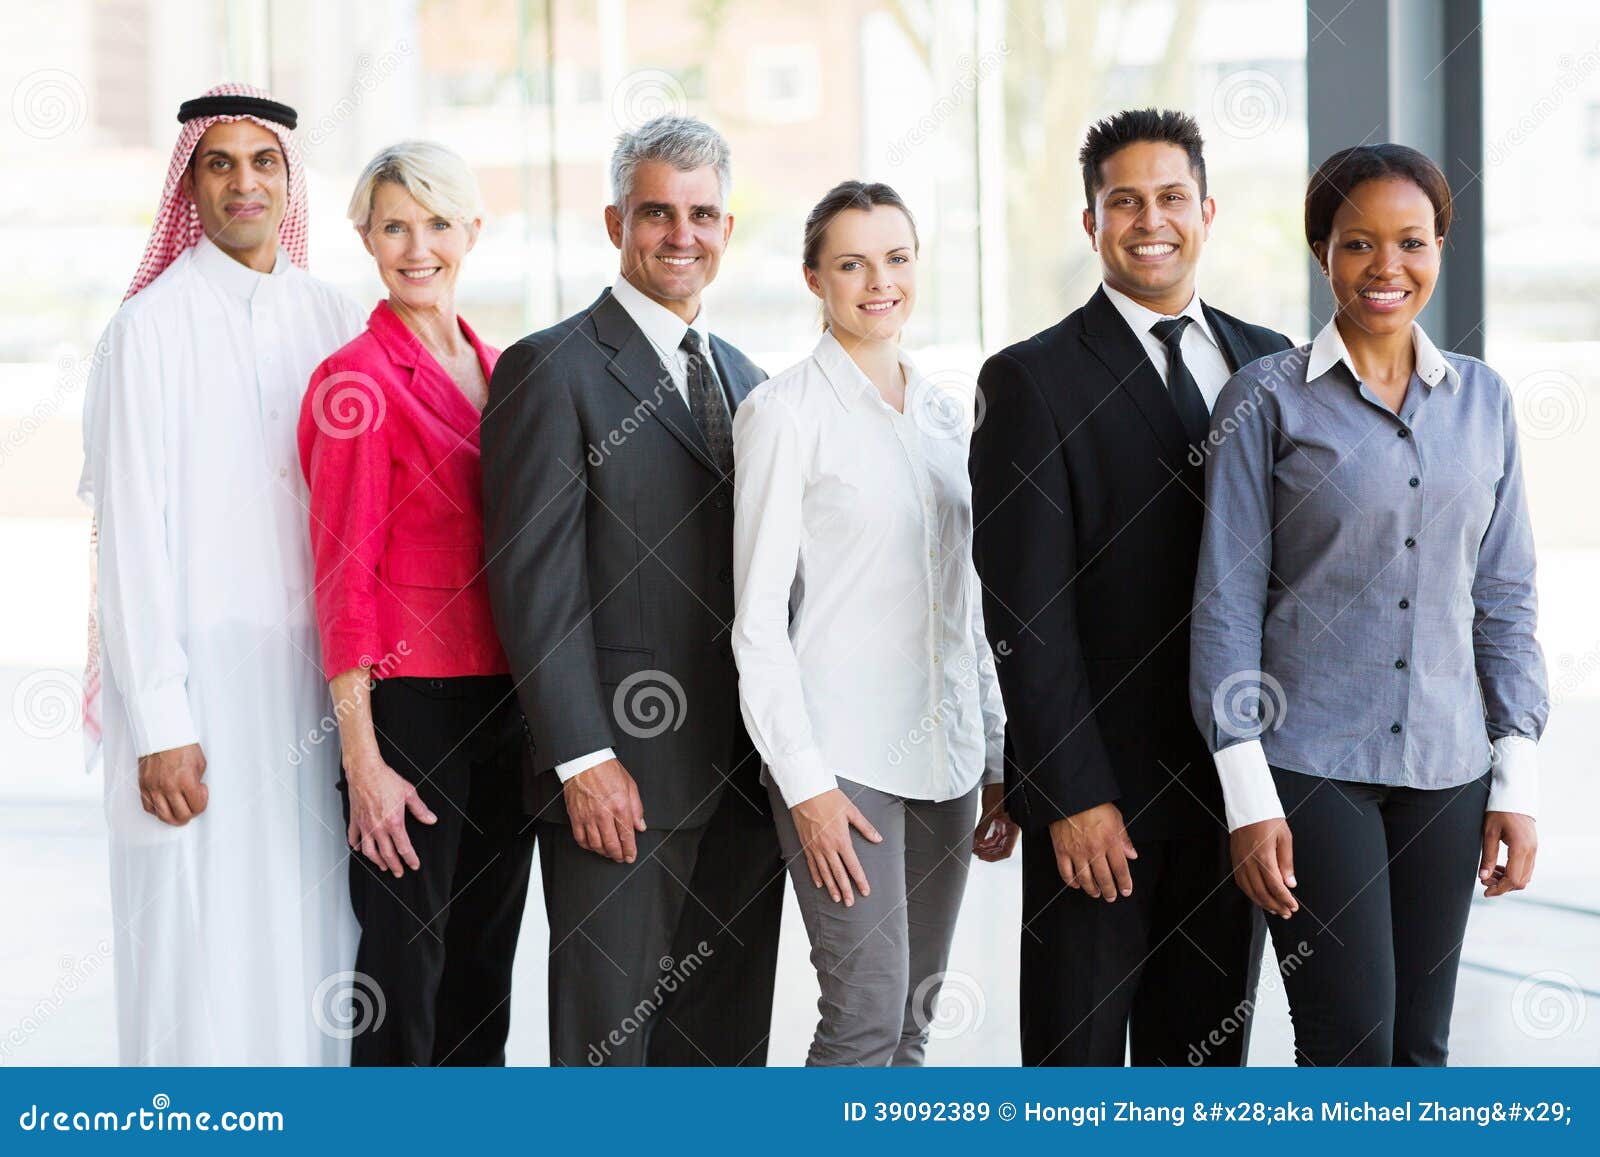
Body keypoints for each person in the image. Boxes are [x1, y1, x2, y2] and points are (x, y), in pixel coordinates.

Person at [1189, 144, 1546, 1067]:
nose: (1387, 267)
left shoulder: (1486, 400)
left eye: (1411, 242)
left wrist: (1518, 782)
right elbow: (1225, 608)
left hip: (1450, 761)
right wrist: (1246, 795)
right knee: (1350, 1042)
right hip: (1309, 763)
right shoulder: (1264, 400)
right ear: (1323, 253)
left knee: (1421, 1048)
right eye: (1358, 244)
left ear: (1440, 247)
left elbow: (1504, 600)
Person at [969, 109, 1293, 1066]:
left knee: (1204, 1057)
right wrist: (1069, 793)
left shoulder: (1270, 360)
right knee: (1076, 1060)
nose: (1150, 220)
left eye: (1170, 197)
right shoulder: (1031, 379)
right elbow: (1023, 612)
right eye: (1124, 202)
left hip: (1234, 783)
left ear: (1207, 210)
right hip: (1099, 793)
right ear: (1092, 223)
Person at [481, 115, 784, 1067]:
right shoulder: (552, 367)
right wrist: (581, 758)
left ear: (727, 229)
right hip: (622, 780)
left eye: (701, 215)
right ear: (616, 222)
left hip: (747, 777)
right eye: (657, 213)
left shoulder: (749, 381)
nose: (680, 235)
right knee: (606, 1055)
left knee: (723, 1047)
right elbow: (533, 582)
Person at [78, 83, 365, 1064]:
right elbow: (130, 540)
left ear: (290, 181)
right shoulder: (145, 332)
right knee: (195, 945)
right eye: (220, 163)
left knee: (314, 935)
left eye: (265, 162)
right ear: (190, 185)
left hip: (316, 686)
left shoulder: (336, 317)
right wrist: (160, 723)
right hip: (194, 689)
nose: (245, 182)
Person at [731, 181, 1015, 1066]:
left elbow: (963, 604)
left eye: (895, 258)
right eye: (852, 263)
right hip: (842, 761)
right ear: (815, 277)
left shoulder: (942, 413)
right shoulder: (783, 415)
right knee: (864, 1012)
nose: (878, 281)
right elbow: (756, 622)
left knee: (912, 1020)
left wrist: (1000, 754)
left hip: (948, 756)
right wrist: (807, 785)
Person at [298, 142, 534, 1066]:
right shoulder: (353, 381)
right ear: (365, 237)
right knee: (405, 971)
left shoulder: (507, 368)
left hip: (505, 705)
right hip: (411, 712)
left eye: (437, 222)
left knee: (484, 967)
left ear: (472, 230)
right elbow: (341, 581)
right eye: (395, 225)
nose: (418, 245)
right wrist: (361, 757)